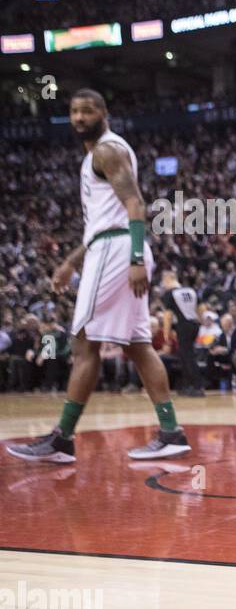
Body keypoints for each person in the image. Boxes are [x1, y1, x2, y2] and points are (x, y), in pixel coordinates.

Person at [5, 89, 189, 464]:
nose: (78, 118)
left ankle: (62, 439)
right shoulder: (97, 156)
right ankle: (171, 432)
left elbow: (135, 205)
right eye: (73, 111)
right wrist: (72, 261)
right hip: (112, 247)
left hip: (118, 252)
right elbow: (104, 223)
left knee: (84, 343)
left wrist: (136, 257)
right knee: (138, 345)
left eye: (87, 111)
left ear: (103, 113)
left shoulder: (107, 150)